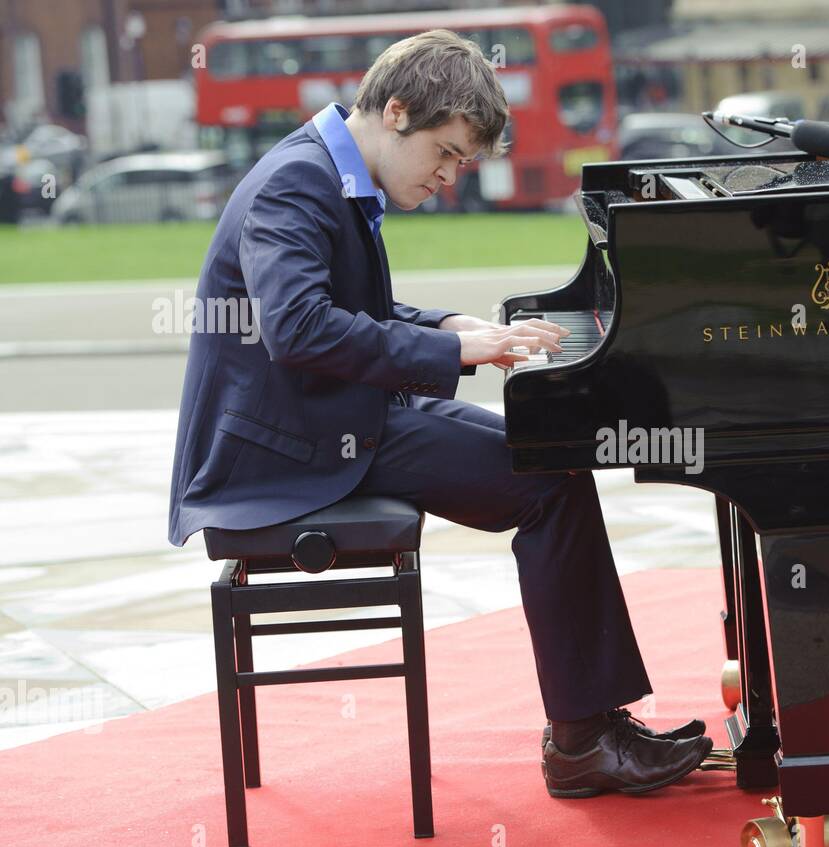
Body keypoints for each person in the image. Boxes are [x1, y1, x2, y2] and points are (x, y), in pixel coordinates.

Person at [167, 30, 712, 797]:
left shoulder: (325, 169)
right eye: (448, 154)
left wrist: (451, 327)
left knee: (553, 456)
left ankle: (590, 728)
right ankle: (582, 742)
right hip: (289, 454)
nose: (452, 177)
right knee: (548, 482)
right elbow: (298, 328)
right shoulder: (295, 183)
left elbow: (352, 308)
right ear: (396, 112)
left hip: (330, 421)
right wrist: (451, 355)